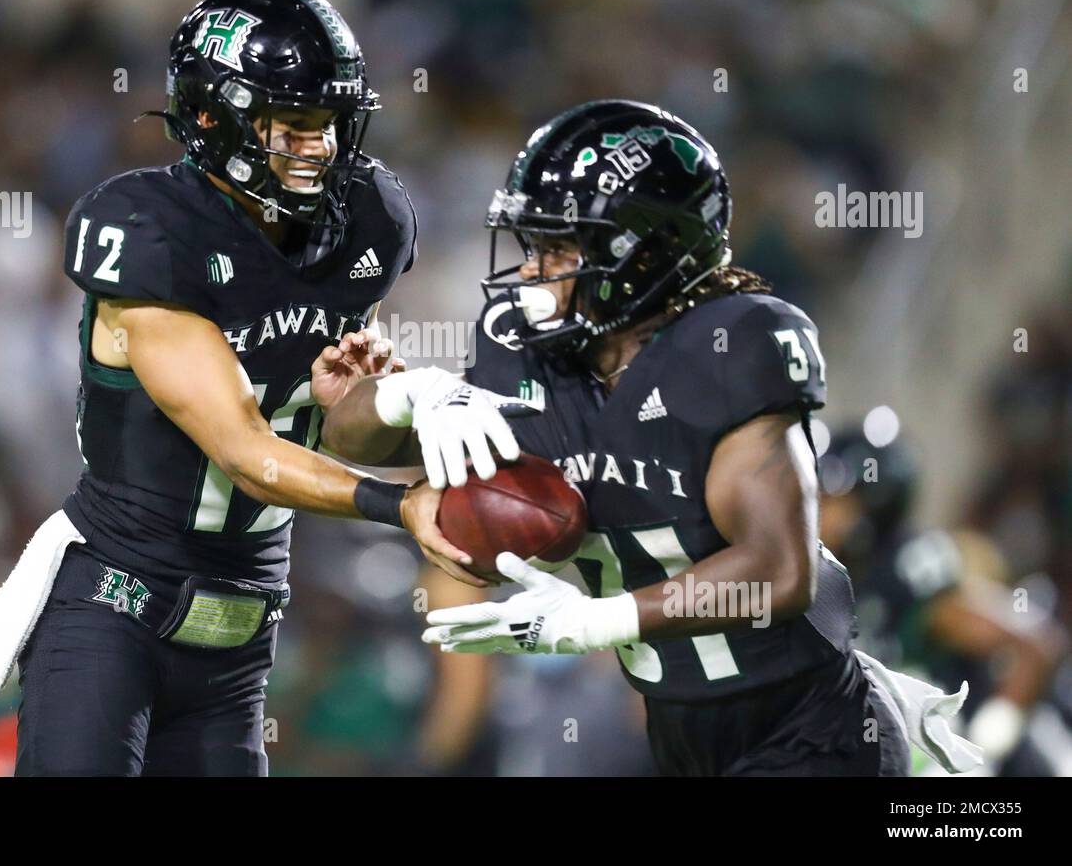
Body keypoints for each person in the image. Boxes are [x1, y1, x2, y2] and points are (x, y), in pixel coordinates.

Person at [0, 0, 517, 776]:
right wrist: (398, 505)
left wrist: (396, 403)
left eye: (328, 123)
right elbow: (241, 450)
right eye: (292, 124)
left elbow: (326, 422)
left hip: (242, 628)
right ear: (210, 117)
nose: (319, 146)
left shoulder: (367, 222)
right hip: (115, 606)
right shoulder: (149, 229)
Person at [319, 99, 916, 775]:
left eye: (559, 248)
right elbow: (353, 437)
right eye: (533, 245)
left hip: (811, 727)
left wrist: (596, 622)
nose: (532, 272)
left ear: (645, 253)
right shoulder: (524, 356)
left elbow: (779, 572)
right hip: (678, 733)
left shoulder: (729, 349)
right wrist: (407, 395)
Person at [819, 419, 1066, 773]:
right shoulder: (831, 579)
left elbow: (1036, 645)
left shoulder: (906, 572)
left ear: (873, 502)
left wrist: (995, 734)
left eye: (831, 499)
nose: (816, 511)